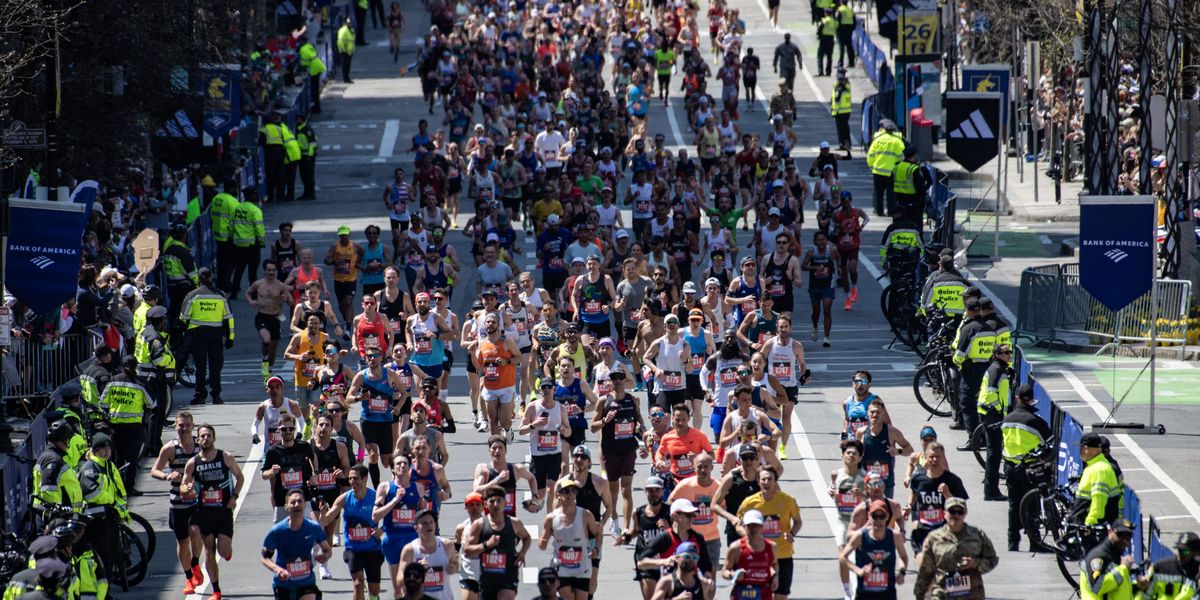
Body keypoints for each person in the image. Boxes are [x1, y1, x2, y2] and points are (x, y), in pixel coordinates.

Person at [181, 424, 246, 600]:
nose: (205, 439)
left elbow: (240, 477)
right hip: (204, 512)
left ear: (214, 438)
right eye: (202, 436)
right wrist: (185, 488)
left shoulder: (225, 457)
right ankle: (216, 590)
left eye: (208, 436)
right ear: (198, 439)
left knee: (223, 552)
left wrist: (235, 496)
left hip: (223, 510)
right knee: (210, 550)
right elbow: (183, 486)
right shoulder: (193, 463)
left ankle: (228, 551)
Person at [149, 411, 206, 594]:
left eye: (187, 425)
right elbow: (154, 470)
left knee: (196, 531)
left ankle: (196, 563)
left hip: (198, 500)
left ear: (193, 426)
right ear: (175, 426)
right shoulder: (170, 448)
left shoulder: (201, 446)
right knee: (182, 542)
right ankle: (189, 577)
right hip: (178, 501)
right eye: (181, 425)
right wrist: (167, 475)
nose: (184, 428)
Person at [591, 362, 645, 530]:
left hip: (628, 449)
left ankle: (626, 526)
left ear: (625, 379)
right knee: (613, 491)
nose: (617, 381)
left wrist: (644, 440)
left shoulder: (633, 400)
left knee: (626, 489)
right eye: (614, 378)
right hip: (610, 450)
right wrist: (605, 421)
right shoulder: (603, 401)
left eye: (620, 377)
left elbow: (640, 422)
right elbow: (593, 427)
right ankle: (613, 518)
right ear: (610, 381)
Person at [319, 464, 385, 600]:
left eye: (355, 479)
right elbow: (325, 521)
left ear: (365, 479)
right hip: (353, 549)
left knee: (374, 590)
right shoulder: (344, 498)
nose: (352, 482)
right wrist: (322, 514)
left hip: (373, 548)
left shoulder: (375, 497)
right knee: (358, 584)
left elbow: (391, 519)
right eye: (350, 479)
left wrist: (381, 530)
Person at [914, 498, 999, 600]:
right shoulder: (934, 538)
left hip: (972, 594)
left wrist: (975, 563)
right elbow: (925, 570)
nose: (956, 515)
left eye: (960, 512)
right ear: (944, 513)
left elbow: (992, 559)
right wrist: (920, 593)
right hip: (942, 592)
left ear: (965, 514)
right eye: (952, 511)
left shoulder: (977, 535)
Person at [736, 467, 800, 600]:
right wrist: (749, 537)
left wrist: (792, 533)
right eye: (763, 479)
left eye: (770, 479)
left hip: (783, 554)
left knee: (781, 596)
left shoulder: (788, 500)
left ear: (775, 482)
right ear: (758, 481)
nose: (766, 482)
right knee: (759, 595)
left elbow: (798, 521)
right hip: (759, 556)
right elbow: (739, 525)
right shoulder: (749, 502)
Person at [347, 345, 407, 488]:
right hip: (368, 421)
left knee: (386, 462)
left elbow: (404, 393)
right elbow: (348, 397)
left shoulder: (390, 374)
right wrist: (359, 398)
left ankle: (396, 484)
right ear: (365, 359)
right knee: (373, 455)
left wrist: (398, 407)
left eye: (375, 356)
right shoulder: (361, 376)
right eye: (369, 356)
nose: (372, 359)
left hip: (385, 421)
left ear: (381, 358)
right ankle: (377, 489)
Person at [462, 485, 534, 600]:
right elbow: (467, 551)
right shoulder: (479, 525)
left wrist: (522, 553)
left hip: (508, 576)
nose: (495, 504)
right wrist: (486, 545)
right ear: (485, 504)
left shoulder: (514, 523)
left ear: (505, 502)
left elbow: (527, 538)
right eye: (492, 501)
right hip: (487, 579)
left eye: (499, 501)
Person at [261, 489, 333, 600]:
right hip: (283, 583)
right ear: (286, 507)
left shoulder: (313, 528)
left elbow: (327, 549)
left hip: (306, 582)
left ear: (305, 504)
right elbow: (265, 558)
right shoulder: (277, 531)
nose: (297, 505)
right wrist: (278, 570)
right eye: (293, 502)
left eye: (300, 501)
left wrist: (324, 556)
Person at [538, 479, 602, 600]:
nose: (570, 494)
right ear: (558, 494)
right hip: (561, 568)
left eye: (573, 491)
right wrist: (542, 543)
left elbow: (599, 533)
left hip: (582, 568)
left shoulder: (585, 515)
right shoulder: (551, 518)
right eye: (566, 491)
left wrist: (597, 549)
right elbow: (543, 541)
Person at [102, 355, 155, 494]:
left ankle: (116, 488)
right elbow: (152, 403)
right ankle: (129, 487)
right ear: (136, 367)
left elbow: (103, 403)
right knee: (131, 458)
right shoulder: (141, 383)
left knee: (118, 457)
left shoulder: (113, 381)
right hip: (134, 426)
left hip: (115, 425)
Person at [183, 267, 235, 405]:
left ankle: (200, 395)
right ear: (211, 277)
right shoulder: (221, 295)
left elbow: (183, 317)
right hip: (216, 335)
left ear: (198, 279)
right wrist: (230, 337)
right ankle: (216, 395)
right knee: (215, 367)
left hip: (197, 335)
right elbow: (229, 318)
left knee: (200, 367)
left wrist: (185, 334)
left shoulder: (192, 295)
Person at [907, 442, 968, 557]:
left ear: (943, 458)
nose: (934, 460)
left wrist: (948, 494)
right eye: (931, 457)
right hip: (923, 532)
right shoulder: (918, 480)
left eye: (938, 457)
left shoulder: (953, 480)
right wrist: (912, 514)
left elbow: (962, 507)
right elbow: (914, 498)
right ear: (926, 458)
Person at [519, 380, 573, 512]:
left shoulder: (561, 408)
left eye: (549, 387)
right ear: (540, 390)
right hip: (538, 455)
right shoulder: (533, 407)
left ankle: (550, 519)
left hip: (555, 453)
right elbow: (521, 430)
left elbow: (569, 430)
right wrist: (534, 424)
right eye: (544, 387)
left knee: (552, 488)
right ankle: (539, 500)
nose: (546, 390)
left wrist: (564, 431)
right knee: (541, 492)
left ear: (554, 389)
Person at [839, 499, 908, 600]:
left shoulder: (894, 536)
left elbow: (903, 556)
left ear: (887, 517)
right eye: (875, 516)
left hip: (887, 593)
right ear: (868, 516)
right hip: (865, 593)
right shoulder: (860, 536)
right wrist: (858, 570)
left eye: (882, 516)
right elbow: (842, 557)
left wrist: (902, 573)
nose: (878, 520)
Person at [669, 452, 723, 571]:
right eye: (699, 467)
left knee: (711, 574)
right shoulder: (685, 485)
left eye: (706, 466)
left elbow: (725, 508)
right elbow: (670, 503)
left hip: (711, 539)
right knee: (688, 574)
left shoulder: (718, 487)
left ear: (712, 467)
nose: (703, 470)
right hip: (689, 538)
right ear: (694, 467)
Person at [952, 298, 997, 440]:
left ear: (968, 311)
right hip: (987, 369)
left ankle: (973, 438)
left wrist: (956, 362)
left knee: (967, 403)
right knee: (981, 403)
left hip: (971, 370)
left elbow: (959, 355)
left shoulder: (968, 329)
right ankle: (983, 436)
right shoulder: (990, 329)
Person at [262, 413, 315, 522]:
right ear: (279, 430)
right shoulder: (273, 451)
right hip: (282, 501)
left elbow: (313, 457)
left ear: (295, 429)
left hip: (303, 498)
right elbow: (264, 475)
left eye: (291, 428)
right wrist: (271, 471)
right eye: (284, 429)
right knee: (281, 534)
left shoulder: (303, 446)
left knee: (304, 533)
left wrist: (315, 473)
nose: (288, 432)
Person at [247, 260, 294, 380]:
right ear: (265, 271)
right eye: (269, 270)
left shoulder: (280, 286)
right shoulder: (258, 284)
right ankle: (264, 361)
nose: (271, 272)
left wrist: (285, 299)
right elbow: (248, 293)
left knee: (273, 351)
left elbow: (291, 301)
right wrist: (251, 301)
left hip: (275, 318)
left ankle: (268, 364)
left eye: (273, 270)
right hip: (262, 316)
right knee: (266, 339)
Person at [476, 313, 521, 439]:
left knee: (504, 421)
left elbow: (518, 358)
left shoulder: (507, 341)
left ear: (498, 325)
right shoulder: (482, 343)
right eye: (488, 322)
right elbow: (479, 365)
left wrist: (506, 361)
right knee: (492, 419)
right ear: (484, 325)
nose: (490, 324)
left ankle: (508, 429)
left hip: (506, 385)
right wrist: (480, 376)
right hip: (490, 386)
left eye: (493, 322)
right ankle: (496, 445)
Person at [857, 400, 913, 499]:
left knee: (887, 512)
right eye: (872, 412)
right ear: (867, 413)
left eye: (878, 412)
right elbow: (857, 455)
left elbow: (910, 449)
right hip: (867, 483)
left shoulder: (892, 432)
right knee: (867, 511)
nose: (875, 415)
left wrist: (898, 451)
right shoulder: (861, 432)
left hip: (886, 483)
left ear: (883, 414)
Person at [472, 435, 540, 517]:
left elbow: (531, 478)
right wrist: (497, 480)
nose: (497, 451)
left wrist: (534, 496)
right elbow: (476, 491)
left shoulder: (516, 469)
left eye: (500, 448)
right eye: (494, 448)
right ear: (489, 451)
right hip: (490, 521)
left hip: (510, 521)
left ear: (505, 450)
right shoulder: (483, 469)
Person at [398, 510, 459, 600]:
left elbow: (455, 564)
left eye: (431, 522)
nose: (429, 525)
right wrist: (417, 571)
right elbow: (399, 581)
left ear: (435, 525)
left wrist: (453, 568)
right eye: (424, 523)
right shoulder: (409, 550)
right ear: (416, 528)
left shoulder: (446, 545)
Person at [722, 508, 778, 600]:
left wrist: (775, 576)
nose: (753, 528)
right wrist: (733, 575)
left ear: (762, 526)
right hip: (741, 593)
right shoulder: (736, 548)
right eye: (750, 525)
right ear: (744, 526)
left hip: (764, 594)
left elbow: (774, 563)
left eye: (757, 525)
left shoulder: (771, 547)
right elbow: (724, 571)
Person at [1072, 432, 1123, 526]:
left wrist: (1090, 522)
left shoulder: (1099, 469)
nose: (1080, 451)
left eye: (1082, 448)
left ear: (1087, 449)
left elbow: (1099, 499)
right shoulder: (1094, 465)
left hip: (1092, 527)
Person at [802, 231, 839, 347]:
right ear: (815, 242)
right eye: (819, 240)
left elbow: (839, 260)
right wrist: (815, 268)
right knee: (816, 311)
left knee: (827, 309)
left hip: (828, 285)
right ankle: (814, 324)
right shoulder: (812, 252)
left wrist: (840, 271)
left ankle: (826, 338)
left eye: (823, 239)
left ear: (826, 241)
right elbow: (803, 266)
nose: (821, 242)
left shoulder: (832, 251)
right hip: (815, 285)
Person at [1136, 532, 1200, 599]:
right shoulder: (1160, 567)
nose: (1181, 555)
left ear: (1195, 552)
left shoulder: (1197, 571)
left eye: (1185, 551)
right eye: (1179, 550)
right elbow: (1145, 595)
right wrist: (1143, 588)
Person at [648, 540, 715, 600]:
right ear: (677, 558)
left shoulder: (702, 584)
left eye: (695, 557)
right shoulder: (667, 582)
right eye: (687, 556)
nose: (691, 560)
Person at [231, 191, 267, 295]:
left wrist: (234, 238)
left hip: (238, 244)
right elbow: (259, 228)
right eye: (255, 194)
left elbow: (231, 224)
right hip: (252, 245)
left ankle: (234, 291)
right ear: (252, 196)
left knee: (239, 269)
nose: (256, 196)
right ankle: (254, 293)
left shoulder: (237, 208)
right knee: (252, 271)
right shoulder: (255, 210)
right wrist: (261, 241)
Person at [865, 120, 905, 216]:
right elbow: (902, 157)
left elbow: (870, 155)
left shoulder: (877, 140)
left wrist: (871, 165)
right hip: (891, 172)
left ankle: (879, 211)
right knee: (891, 193)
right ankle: (891, 211)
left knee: (879, 193)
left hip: (878, 171)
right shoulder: (897, 142)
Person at [816, 9, 836, 76]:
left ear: (826, 13)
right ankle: (828, 72)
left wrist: (819, 36)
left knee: (820, 56)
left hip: (824, 39)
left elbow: (819, 29)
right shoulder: (834, 21)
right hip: (831, 39)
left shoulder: (824, 20)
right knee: (829, 57)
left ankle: (820, 72)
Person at [337, 17, 356, 83]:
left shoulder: (352, 29)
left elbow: (352, 38)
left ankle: (347, 78)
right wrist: (343, 49)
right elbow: (340, 41)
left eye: (350, 22)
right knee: (345, 66)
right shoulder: (343, 30)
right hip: (345, 52)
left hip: (349, 51)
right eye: (348, 22)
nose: (350, 23)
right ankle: (346, 78)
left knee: (348, 66)